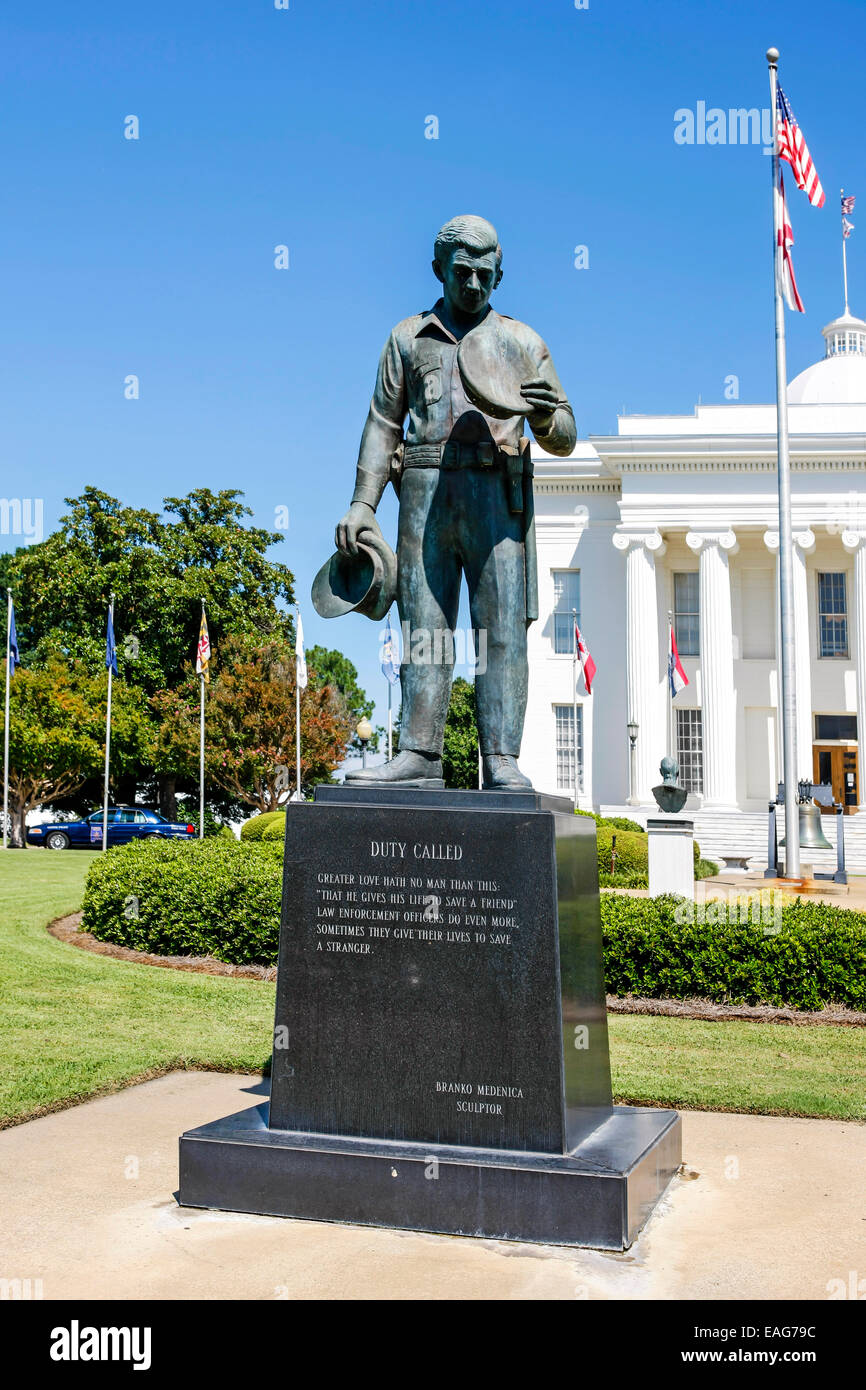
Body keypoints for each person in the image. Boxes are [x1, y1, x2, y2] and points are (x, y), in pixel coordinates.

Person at [336, 214, 576, 788]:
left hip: (497, 495)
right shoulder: (407, 338)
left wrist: (545, 416)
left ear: (500, 275)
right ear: (438, 269)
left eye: (485, 275)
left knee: (498, 632)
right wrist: (362, 504)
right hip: (423, 492)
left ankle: (500, 758)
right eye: (462, 272)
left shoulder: (523, 342)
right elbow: (380, 424)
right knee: (424, 622)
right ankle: (420, 753)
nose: (473, 284)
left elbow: (564, 431)